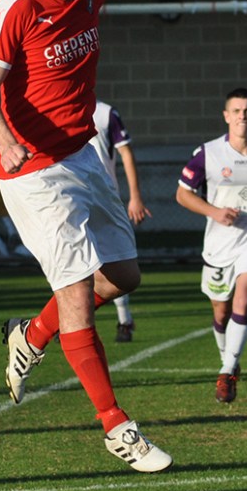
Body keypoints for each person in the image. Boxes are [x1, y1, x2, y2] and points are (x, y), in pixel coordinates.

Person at [0, 0, 219, 473]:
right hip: (34, 172)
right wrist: (5, 142)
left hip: (84, 154)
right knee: (77, 292)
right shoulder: (15, 8)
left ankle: (31, 334)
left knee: (124, 276)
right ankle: (116, 426)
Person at [176, 87, 247, 404]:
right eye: (237, 111)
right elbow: (183, 194)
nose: (243, 116)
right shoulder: (209, 154)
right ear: (226, 116)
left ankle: (226, 372)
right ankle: (229, 359)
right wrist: (214, 212)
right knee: (221, 310)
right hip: (219, 245)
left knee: (244, 297)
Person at [89, 99, 151, 343]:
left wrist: (135, 197)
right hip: (69, 200)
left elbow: (126, 152)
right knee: (75, 264)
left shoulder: (105, 114)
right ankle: (74, 323)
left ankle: (124, 320)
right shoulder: (52, 107)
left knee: (114, 262)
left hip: (105, 200)